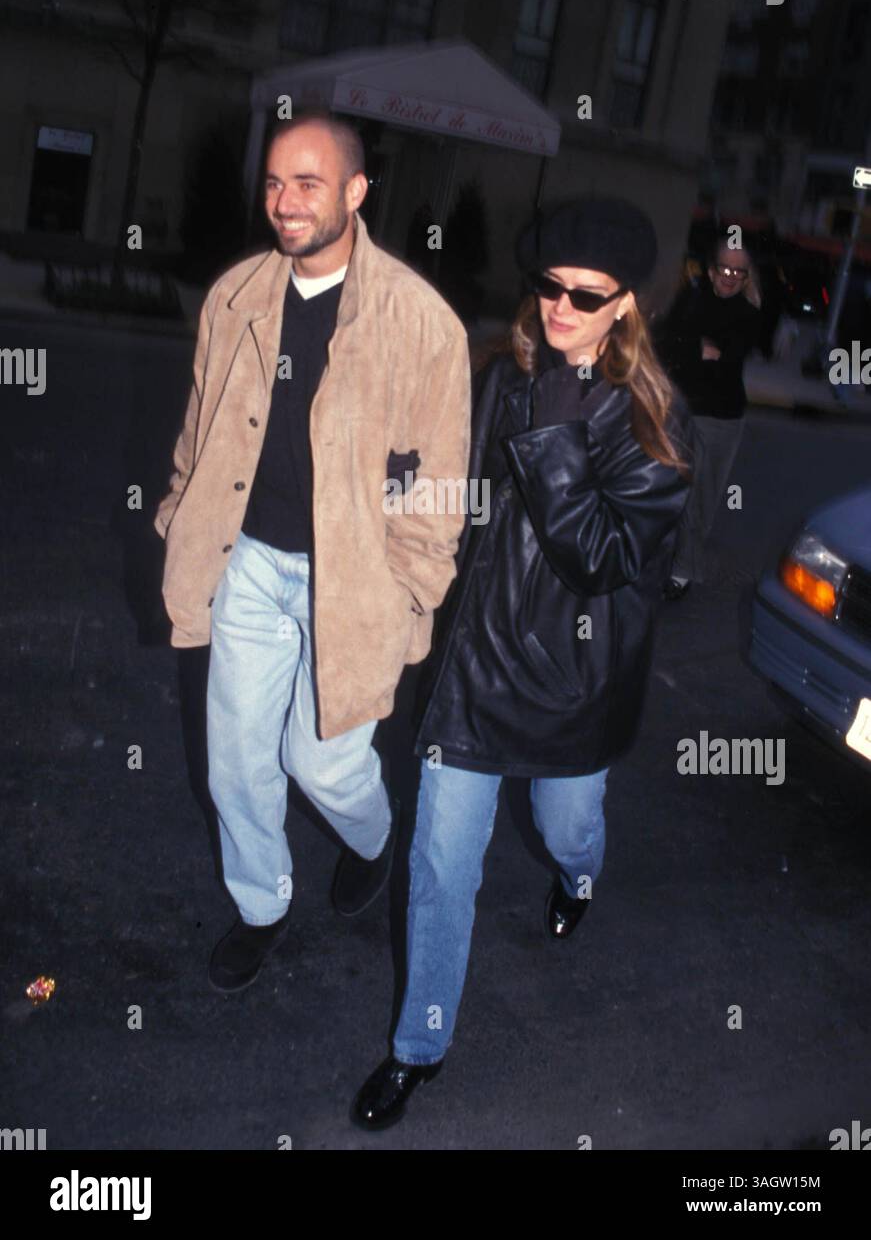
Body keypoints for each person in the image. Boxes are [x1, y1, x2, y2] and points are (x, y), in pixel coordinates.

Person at [351, 197, 693, 1129]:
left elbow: (596, 558)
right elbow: (466, 494)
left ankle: (581, 877)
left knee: (565, 825)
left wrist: (550, 429)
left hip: (572, 680)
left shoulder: (652, 423)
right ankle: (416, 1049)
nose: (560, 307)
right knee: (439, 868)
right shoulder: (504, 377)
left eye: (586, 296)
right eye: (549, 287)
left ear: (625, 306)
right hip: (476, 668)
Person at [154, 113, 470, 993]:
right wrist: (179, 515)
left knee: (321, 761)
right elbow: (201, 424)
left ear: (356, 192)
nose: (285, 203)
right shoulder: (237, 295)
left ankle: (374, 837)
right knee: (235, 759)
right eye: (274, 184)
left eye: (308, 184)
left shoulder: (421, 322)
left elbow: (440, 490)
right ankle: (261, 905)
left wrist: (413, 596)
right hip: (248, 560)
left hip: (356, 579)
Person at [654, 236, 764, 598]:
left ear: (745, 277)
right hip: (679, 408)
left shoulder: (747, 315)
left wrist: (688, 346)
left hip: (720, 419)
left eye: (738, 271)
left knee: (700, 498)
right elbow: (662, 340)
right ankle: (651, 559)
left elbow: (725, 359)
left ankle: (682, 572)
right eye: (724, 269)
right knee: (660, 487)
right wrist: (695, 347)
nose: (730, 277)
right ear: (712, 270)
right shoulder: (691, 298)